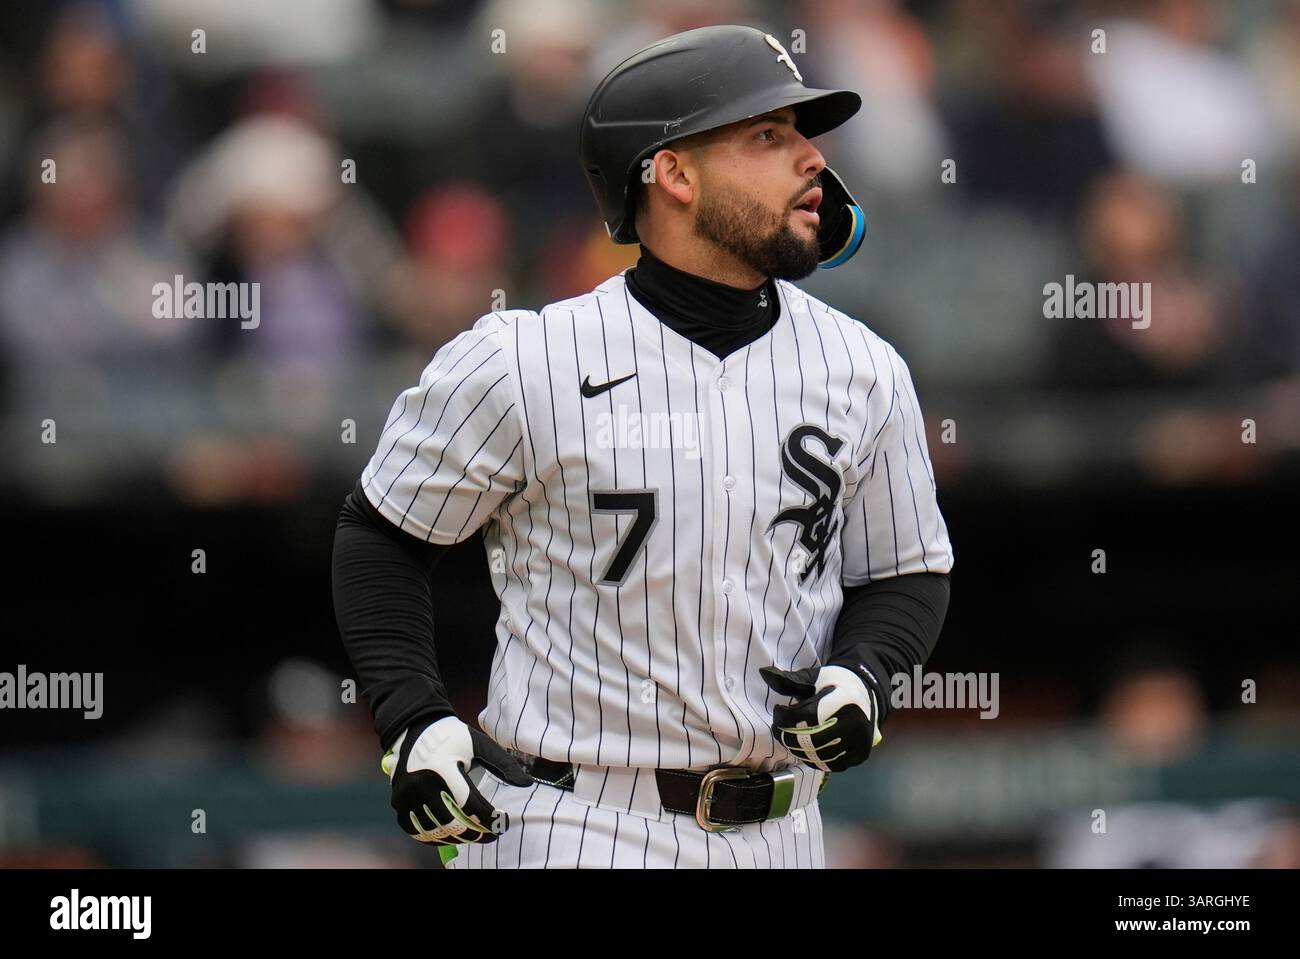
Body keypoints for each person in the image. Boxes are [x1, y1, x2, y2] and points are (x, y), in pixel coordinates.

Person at [332, 24, 953, 869]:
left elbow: (904, 568)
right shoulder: (526, 358)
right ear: (674, 173)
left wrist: (866, 670)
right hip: (572, 818)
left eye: (805, 133)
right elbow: (383, 533)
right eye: (768, 135)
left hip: (789, 828)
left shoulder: (863, 367)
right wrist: (414, 715)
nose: (812, 158)